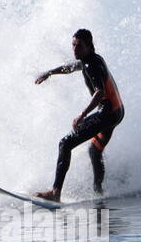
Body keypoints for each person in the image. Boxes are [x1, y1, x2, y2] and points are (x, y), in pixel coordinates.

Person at [33, 28, 125, 201]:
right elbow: (70, 67)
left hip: (107, 112)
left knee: (65, 144)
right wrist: (50, 72)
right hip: (117, 111)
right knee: (94, 151)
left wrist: (82, 114)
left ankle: (55, 192)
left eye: (79, 46)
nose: (74, 49)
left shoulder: (92, 65)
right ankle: (98, 192)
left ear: (89, 45)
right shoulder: (90, 59)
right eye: (73, 45)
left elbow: (99, 92)